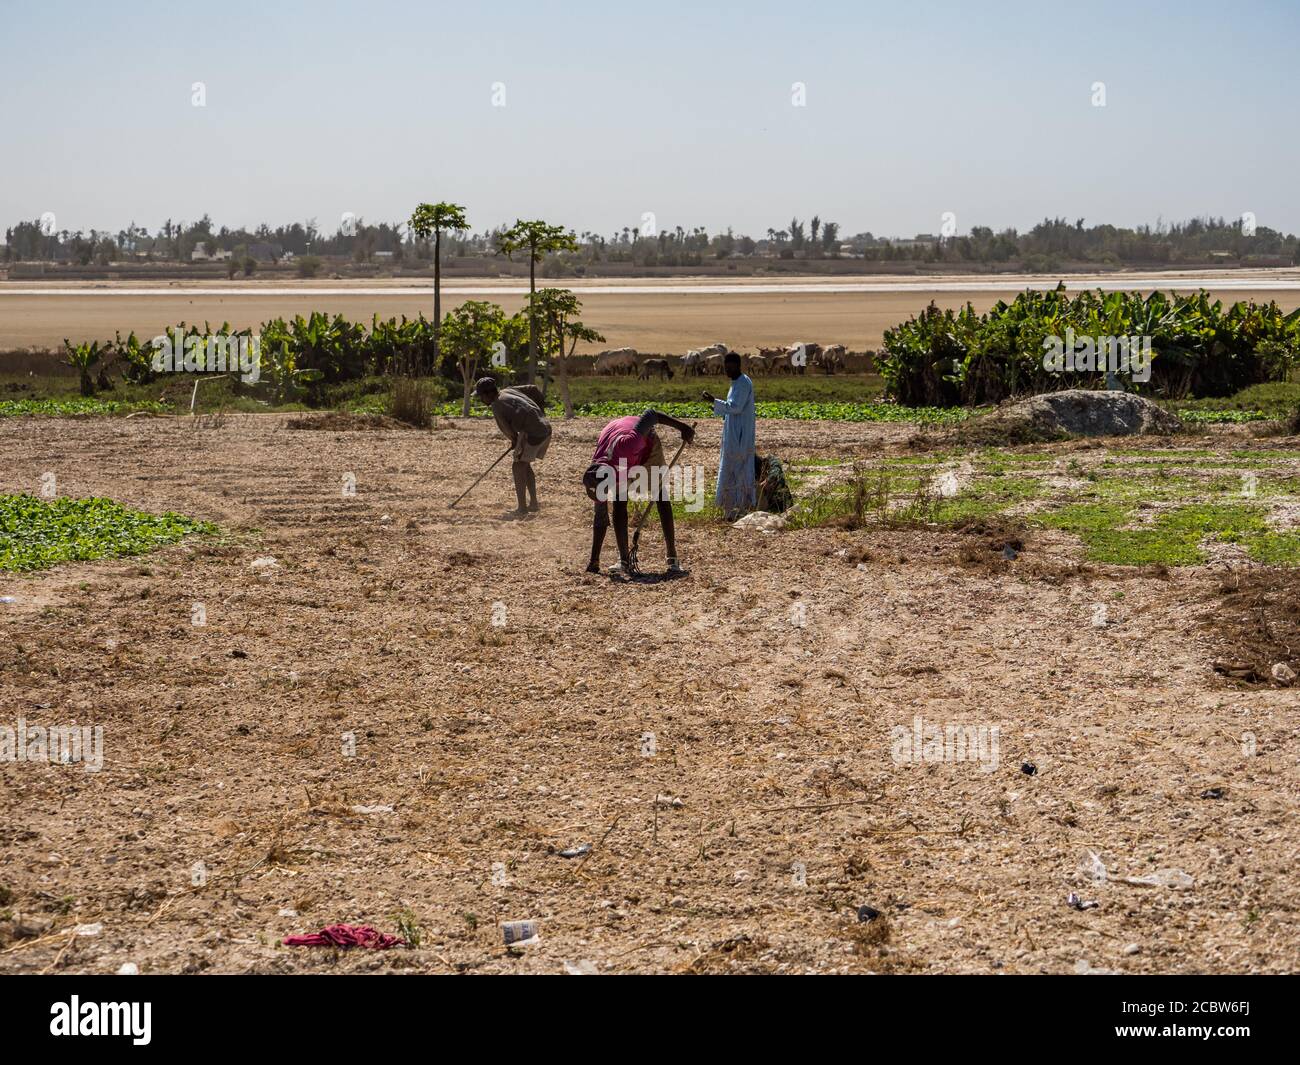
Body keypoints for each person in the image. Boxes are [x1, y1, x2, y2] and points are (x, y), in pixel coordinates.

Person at [583, 408, 695, 578]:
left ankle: (672, 558)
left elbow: (651, 415)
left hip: (646, 444)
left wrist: (683, 427)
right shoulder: (596, 475)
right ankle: (624, 560)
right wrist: (594, 561)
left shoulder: (629, 443)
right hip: (618, 446)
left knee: (659, 494)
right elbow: (600, 517)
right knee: (619, 502)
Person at [474, 377, 551, 517]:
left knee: (518, 466)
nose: (481, 400)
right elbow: (533, 389)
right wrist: (541, 411)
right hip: (545, 426)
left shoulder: (496, 405)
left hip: (533, 432)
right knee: (524, 464)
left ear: (488, 394)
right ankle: (533, 504)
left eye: (481, 396)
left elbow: (509, 432)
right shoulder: (508, 390)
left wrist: (515, 441)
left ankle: (522, 508)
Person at [702, 351, 756, 519]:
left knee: (739, 469)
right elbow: (732, 408)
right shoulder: (735, 383)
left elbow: (736, 407)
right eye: (726, 368)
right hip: (733, 433)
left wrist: (714, 401)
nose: (728, 371)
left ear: (738, 366)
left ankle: (741, 507)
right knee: (731, 468)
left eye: (730, 368)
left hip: (740, 435)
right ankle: (730, 507)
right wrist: (718, 408)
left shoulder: (743, 383)